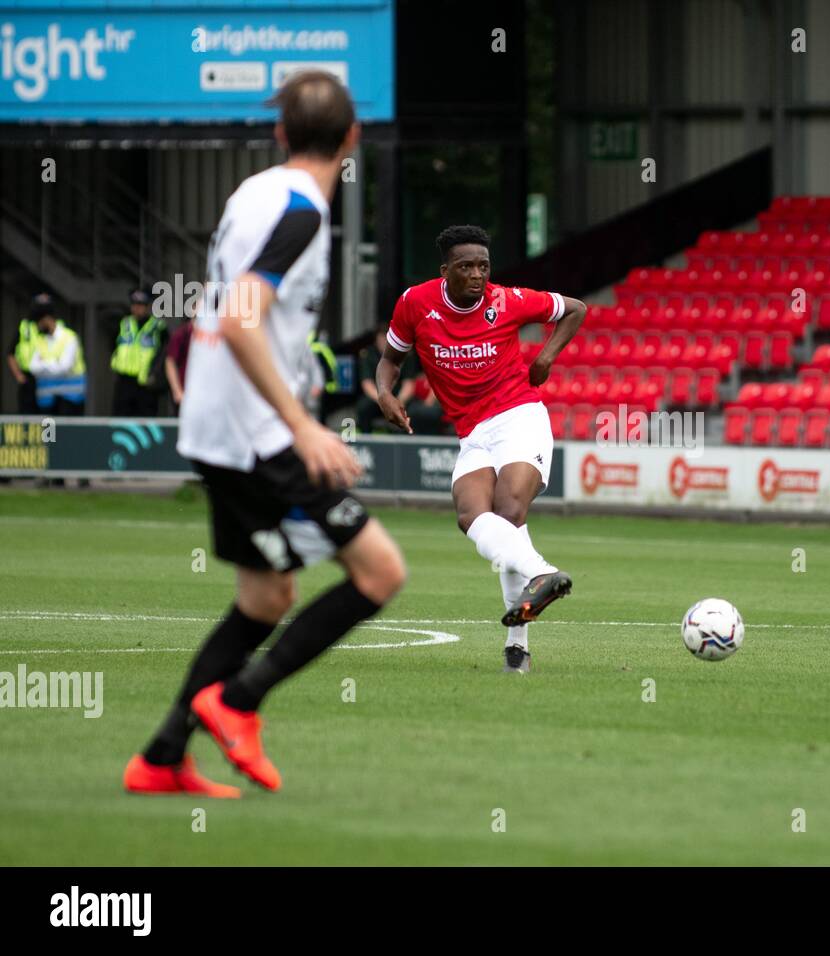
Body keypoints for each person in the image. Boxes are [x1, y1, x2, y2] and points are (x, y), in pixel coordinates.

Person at [123, 70, 407, 798]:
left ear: (280, 134)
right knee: (379, 573)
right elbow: (242, 317)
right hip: (258, 434)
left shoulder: (254, 191)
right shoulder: (302, 212)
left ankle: (161, 757)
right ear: (353, 137)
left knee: (266, 598)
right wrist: (301, 426)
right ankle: (238, 702)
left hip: (216, 426)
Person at [376, 224, 585, 673]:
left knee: (508, 512)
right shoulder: (415, 304)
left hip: (520, 416)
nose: (477, 275)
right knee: (471, 515)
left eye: (483, 266)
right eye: (466, 266)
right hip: (472, 432)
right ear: (445, 270)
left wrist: (545, 357)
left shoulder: (506, 300)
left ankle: (518, 642)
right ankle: (541, 578)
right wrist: (384, 394)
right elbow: (392, 358)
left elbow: (575, 309)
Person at [110, 289, 168, 416]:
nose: (137, 309)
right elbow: (113, 344)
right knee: (121, 417)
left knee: (146, 418)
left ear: (147, 307)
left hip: (146, 382)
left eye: (141, 305)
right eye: (134, 305)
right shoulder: (123, 324)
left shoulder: (158, 327)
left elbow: (165, 353)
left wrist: (156, 374)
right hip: (124, 380)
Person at [28, 298, 85, 415]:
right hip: (47, 402)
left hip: (70, 400)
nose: (37, 326)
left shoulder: (69, 337)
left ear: (47, 319)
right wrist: (54, 362)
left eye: (38, 322)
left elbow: (65, 367)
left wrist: (43, 364)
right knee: (49, 433)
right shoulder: (41, 340)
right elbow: (32, 367)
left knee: (67, 433)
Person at [7, 292, 55, 413]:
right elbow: (10, 353)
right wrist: (19, 376)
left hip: (48, 379)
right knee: (27, 416)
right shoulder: (25, 327)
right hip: (28, 379)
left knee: (48, 418)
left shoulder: (57, 329)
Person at [164, 298, 195, 411]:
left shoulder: (216, 334)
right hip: (186, 394)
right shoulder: (182, 333)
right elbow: (170, 362)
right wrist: (177, 391)